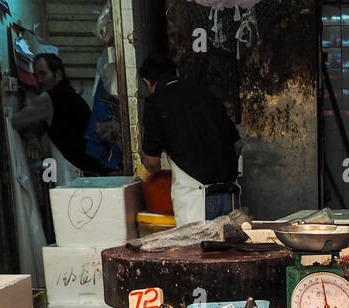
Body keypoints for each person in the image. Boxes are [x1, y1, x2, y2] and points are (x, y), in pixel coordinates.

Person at [139, 54, 244, 223]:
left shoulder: (155, 103)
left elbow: (152, 162)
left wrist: (143, 173)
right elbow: (238, 145)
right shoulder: (208, 96)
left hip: (196, 201)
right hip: (230, 195)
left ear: (147, 81)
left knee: (196, 249)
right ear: (177, 73)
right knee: (232, 248)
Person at [12, 53, 114, 174]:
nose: (39, 80)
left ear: (58, 74)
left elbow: (15, 121)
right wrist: (33, 135)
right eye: (36, 75)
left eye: (43, 74)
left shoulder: (50, 98)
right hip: (102, 161)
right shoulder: (68, 93)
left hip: (95, 164)